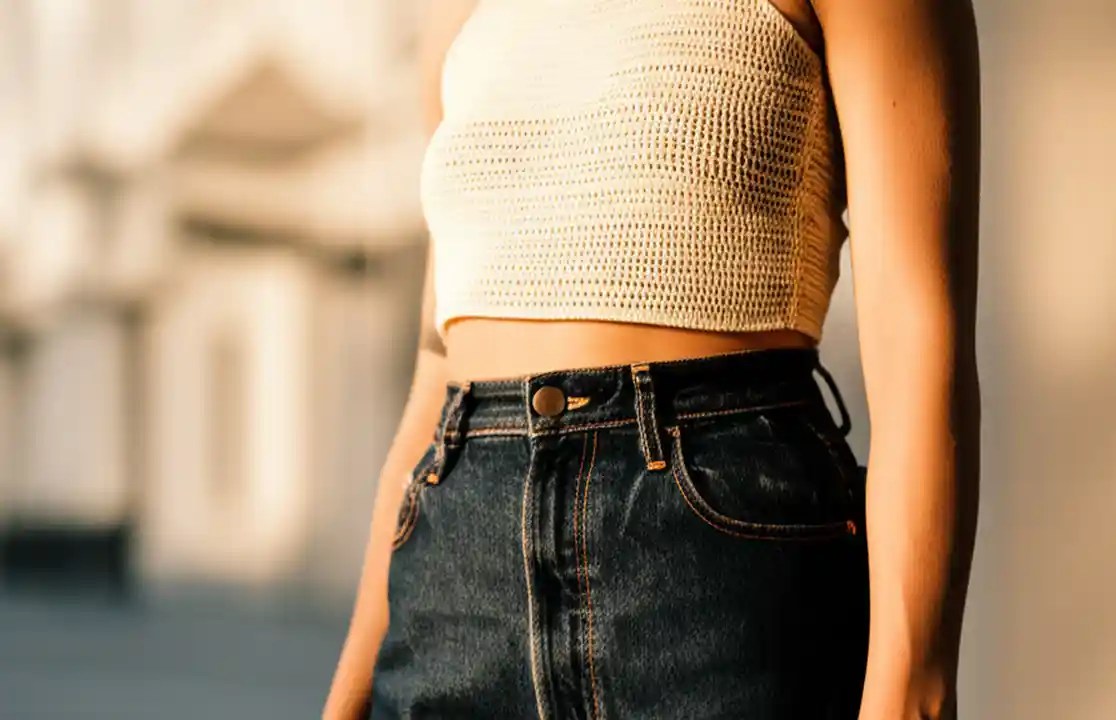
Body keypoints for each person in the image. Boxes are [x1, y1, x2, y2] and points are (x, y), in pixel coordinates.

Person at [324, 0, 980, 717]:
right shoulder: (458, 14)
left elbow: (917, 345)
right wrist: (348, 696)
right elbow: (437, 376)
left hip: (715, 561)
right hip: (455, 581)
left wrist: (913, 688)